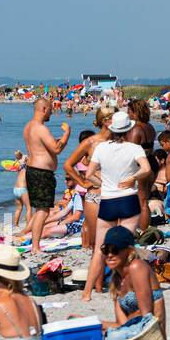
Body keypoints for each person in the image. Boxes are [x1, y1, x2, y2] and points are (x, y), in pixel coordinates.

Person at [80, 111, 151, 302]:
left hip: (108, 200)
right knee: (126, 247)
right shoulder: (135, 148)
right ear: (129, 129)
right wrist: (132, 178)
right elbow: (147, 169)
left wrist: (102, 183)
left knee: (100, 250)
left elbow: (88, 175)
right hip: (128, 199)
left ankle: (87, 293)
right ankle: (128, 287)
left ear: (112, 129)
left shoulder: (102, 148)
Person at [23, 97, 72, 255]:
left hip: (32, 170)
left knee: (40, 209)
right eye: (51, 109)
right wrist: (67, 134)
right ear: (43, 109)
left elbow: (42, 147)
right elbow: (57, 149)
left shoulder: (28, 126)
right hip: (41, 173)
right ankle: (36, 247)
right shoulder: (41, 128)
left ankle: (35, 244)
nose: (52, 111)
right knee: (42, 210)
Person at [101, 225, 167, 339]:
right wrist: (86, 323)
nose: (110, 255)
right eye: (106, 250)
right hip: (132, 333)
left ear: (130, 251)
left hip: (150, 337)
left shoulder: (137, 267)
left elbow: (147, 318)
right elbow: (121, 324)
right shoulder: (116, 279)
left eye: (115, 250)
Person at [64, 109, 113, 260]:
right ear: (105, 121)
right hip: (95, 196)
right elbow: (68, 165)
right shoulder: (90, 143)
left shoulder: (121, 140)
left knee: (114, 241)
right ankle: (97, 282)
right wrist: (82, 182)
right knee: (96, 243)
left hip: (114, 194)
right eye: (114, 117)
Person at [126, 99, 159, 231]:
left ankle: (144, 230)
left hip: (142, 166)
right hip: (152, 162)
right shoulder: (149, 126)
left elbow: (131, 151)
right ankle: (144, 226)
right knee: (144, 199)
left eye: (129, 111)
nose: (127, 114)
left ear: (135, 112)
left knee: (142, 201)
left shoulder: (136, 129)